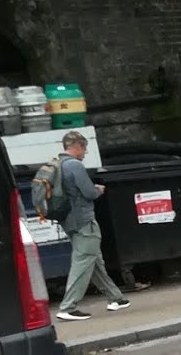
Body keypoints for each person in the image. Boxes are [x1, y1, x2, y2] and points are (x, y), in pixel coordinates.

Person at [56, 131, 130, 321]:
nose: (85, 153)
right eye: (84, 148)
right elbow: (89, 192)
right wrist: (98, 189)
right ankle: (68, 307)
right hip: (84, 221)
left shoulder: (58, 164)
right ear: (77, 146)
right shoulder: (74, 165)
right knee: (83, 262)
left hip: (69, 221)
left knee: (94, 260)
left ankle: (116, 298)